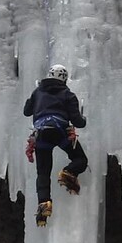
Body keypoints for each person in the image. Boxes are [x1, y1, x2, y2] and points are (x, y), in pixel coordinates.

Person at [23, 63, 88, 225]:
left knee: (43, 173)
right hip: (60, 132)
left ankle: (43, 207)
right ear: (65, 79)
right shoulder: (68, 94)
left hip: (41, 135)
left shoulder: (38, 91)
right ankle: (68, 172)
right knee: (80, 159)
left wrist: (33, 98)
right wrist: (84, 118)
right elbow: (78, 122)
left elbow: (26, 111)